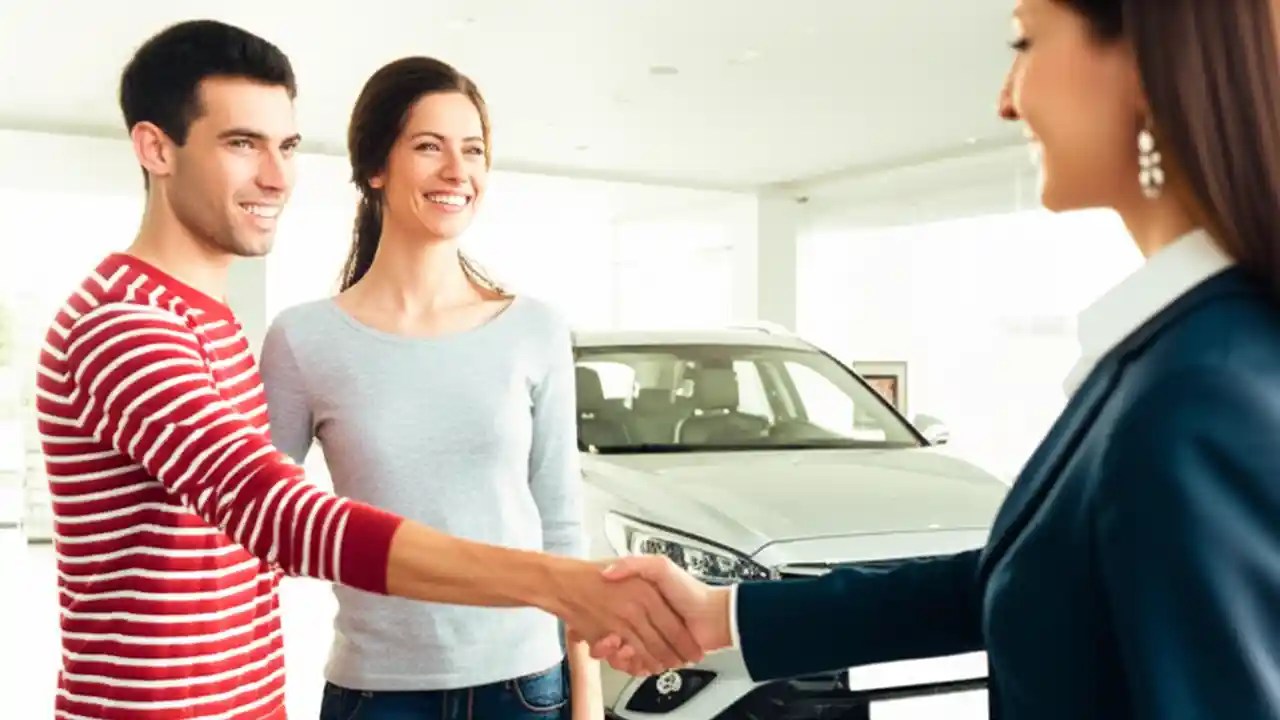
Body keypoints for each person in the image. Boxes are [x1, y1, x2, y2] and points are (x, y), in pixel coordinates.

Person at [592, 1, 1280, 718]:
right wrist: (722, 615)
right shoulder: (1169, 358)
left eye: (1025, 43)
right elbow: (1015, 583)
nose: (1005, 98)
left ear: (1144, 64)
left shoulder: (1204, 391)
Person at [36, 20, 699, 720]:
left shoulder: (213, 324)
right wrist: (564, 585)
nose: (276, 175)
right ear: (155, 149)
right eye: (240, 143)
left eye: (285, 146)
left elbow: (237, 556)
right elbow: (280, 515)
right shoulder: (126, 325)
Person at [258, 56, 601, 719]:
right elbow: (259, 530)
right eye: (428, 146)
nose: (457, 171)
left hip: (527, 688)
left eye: (472, 150)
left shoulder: (534, 329)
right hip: (375, 693)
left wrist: (585, 700)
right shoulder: (304, 340)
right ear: (375, 169)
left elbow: (562, 529)